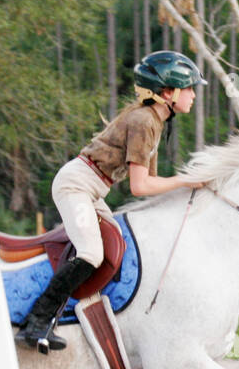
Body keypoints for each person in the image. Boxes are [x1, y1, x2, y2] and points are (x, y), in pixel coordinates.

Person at [15, 50, 206, 353]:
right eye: (189, 88)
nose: (193, 95)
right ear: (167, 93)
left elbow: (150, 182)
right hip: (76, 185)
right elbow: (140, 186)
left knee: (116, 244)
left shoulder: (155, 121)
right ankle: (36, 322)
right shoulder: (144, 122)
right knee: (91, 253)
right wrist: (185, 181)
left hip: (92, 189)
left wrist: (186, 187)